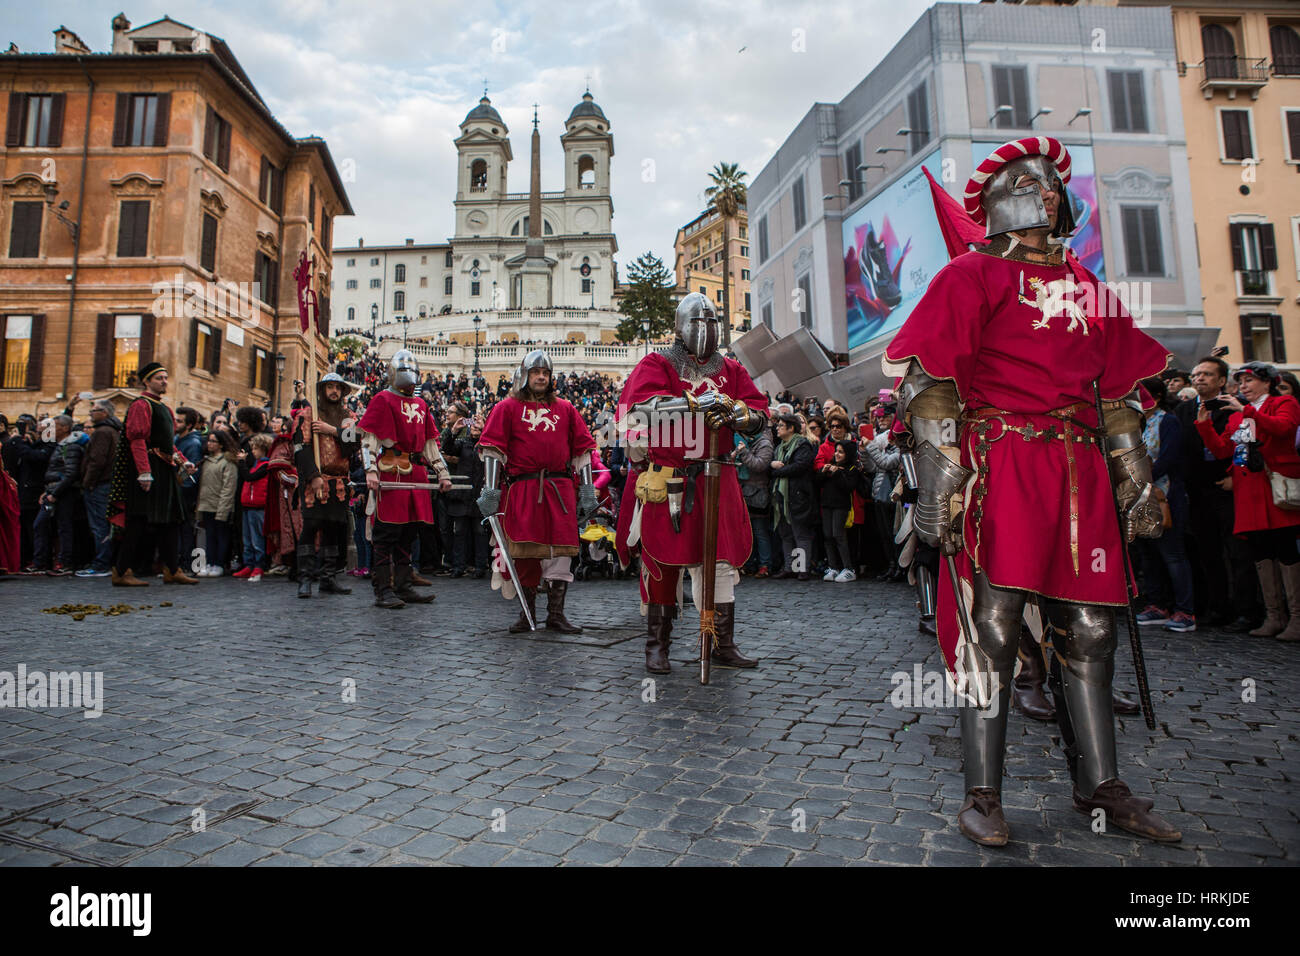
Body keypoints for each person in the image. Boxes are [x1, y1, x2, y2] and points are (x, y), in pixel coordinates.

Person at [884, 135, 1179, 846]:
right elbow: (929, 385)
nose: (1047, 192)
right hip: (1003, 461)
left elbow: (1115, 397)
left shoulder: (1087, 284)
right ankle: (983, 793)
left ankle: (1101, 786)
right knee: (996, 629)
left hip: (1079, 471)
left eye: (1054, 183)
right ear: (1000, 199)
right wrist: (941, 477)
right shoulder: (970, 276)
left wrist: (1134, 470)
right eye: (1032, 182)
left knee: (1093, 629)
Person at [615, 293, 770, 672]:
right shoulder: (657, 363)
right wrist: (693, 405)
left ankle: (720, 641)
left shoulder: (731, 370)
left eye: (712, 322)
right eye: (698, 322)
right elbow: (637, 412)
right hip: (671, 478)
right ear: (680, 326)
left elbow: (760, 414)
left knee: (719, 563)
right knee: (664, 561)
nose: (706, 330)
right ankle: (658, 645)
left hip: (719, 475)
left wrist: (737, 412)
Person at [478, 350, 598, 633]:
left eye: (545, 373)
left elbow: (582, 451)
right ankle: (526, 612)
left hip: (560, 490)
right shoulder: (506, 408)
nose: (541, 377)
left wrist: (588, 489)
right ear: (524, 376)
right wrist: (491, 491)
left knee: (561, 552)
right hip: (525, 488)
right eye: (535, 372)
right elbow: (493, 450)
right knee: (527, 551)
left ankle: (556, 614)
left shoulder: (566, 409)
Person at [1195, 361, 1300, 642]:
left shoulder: (1284, 402)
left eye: (1249, 381)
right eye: (1240, 381)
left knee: (1286, 550)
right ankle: (1274, 616)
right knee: (1261, 552)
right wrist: (1204, 427)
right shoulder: (1236, 416)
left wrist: (1246, 410)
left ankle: (1296, 618)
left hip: (1274, 487)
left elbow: (1283, 429)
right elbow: (1222, 451)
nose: (1243, 386)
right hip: (1248, 491)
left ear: (1267, 383)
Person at [358, 349, 453, 609]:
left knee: (409, 533)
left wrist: (442, 472)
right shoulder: (382, 399)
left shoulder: (422, 405)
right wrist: (371, 470)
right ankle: (383, 589)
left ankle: (403, 585)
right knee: (386, 533)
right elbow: (369, 439)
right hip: (391, 470)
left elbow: (430, 443)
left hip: (416, 473)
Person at [1173, 356, 1257, 629]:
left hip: (1228, 486)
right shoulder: (1183, 411)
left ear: (1221, 381)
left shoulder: (1233, 406)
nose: (1200, 378)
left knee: (1238, 553)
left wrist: (1234, 475)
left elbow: (1245, 445)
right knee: (1206, 551)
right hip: (1196, 490)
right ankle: (1216, 607)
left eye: (1207, 374)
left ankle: (1246, 611)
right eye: (1196, 374)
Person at [109, 362, 199, 587]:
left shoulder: (165, 407)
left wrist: (183, 461)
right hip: (149, 469)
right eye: (159, 378)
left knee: (170, 521)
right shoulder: (141, 405)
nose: (164, 381)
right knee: (137, 521)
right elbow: (137, 440)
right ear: (147, 381)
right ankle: (121, 571)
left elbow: (168, 445)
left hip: (164, 470)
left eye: (166, 377)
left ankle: (172, 569)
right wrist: (144, 472)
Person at [1133, 377, 1196, 632]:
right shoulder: (1137, 423)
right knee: (1148, 554)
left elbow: (1169, 457)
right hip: (1141, 494)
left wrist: (1143, 476)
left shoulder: (1167, 420)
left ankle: (1186, 610)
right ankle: (1157, 604)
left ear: (1155, 397)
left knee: (1172, 554)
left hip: (1165, 494)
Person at [292, 373, 360, 598]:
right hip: (316, 479)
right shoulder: (308, 414)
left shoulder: (348, 416)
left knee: (334, 529)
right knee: (311, 527)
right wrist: (313, 475)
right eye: (329, 387)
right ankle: (305, 578)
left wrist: (332, 431)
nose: (334, 391)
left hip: (339, 481)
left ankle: (328, 578)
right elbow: (301, 448)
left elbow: (352, 445)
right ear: (322, 391)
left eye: (337, 388)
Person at [33, 415, 86, 575]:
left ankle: (64, 563)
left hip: (63, 493)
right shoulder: (62, 445)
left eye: (55, 426)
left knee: (63, 527)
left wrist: (54, 493)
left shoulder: (71, 447)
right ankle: (43, 562)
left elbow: (70, 474)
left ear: (64, 428)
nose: (51, 430)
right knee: (44, 525)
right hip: (55, 491)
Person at [77, 401, 121, 578]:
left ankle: (101, 564)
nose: (90, 414)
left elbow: (97, 460)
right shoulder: (114, 431)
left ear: (104, 413)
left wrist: (88, 482)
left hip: (99, 485)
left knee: (99, 526)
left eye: (94, 411)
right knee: (105, 525)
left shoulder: (102, 432)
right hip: (107, 483)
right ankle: (105, 562)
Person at [770, 413, 816, 581]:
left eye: (781, 426)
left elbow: (800, 466)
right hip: (782, 496)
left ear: (791, 428)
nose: (777, 428)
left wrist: (777, 470)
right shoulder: (780, 446)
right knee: (785, 533)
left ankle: (802, 568)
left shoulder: (802, 444)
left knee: (800, 533)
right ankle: (790, 566)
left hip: (797, 496)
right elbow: (773, 465)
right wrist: (772, 465)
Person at [817, 438, 860, 582]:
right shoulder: (832, 465)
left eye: (841, 452)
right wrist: (823, 472)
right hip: (827, 504)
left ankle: (848, 567)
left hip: (841, 506)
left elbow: (848, 487)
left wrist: (837, 473)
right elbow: (818, 482)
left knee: (839, 535)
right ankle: (833, 566)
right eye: (836, 451)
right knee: (827, 536)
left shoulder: (852, 469)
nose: (837, 454)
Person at [734, 422, 774, 577]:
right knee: (747, 532)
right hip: (744, 491)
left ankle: (765, 564)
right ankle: (749, 563)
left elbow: (760, 465)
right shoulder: (748, 441)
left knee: (760, 531)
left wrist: (743, 452)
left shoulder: (764, 443)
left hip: (758, 493)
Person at [196, 429, 238, 576]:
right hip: (207, 504)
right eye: (209, 440)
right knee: (210, 536)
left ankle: (219, 564)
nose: (209, 444)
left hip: (220, 505)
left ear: (221, 444)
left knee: (221, 536)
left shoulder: (228, 462)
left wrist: (223, 509)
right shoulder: (206, 461)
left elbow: (228, 487)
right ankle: (209, 562)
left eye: (213, 441)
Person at [235, 433, 272, 583]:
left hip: (258, 506)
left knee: (257, 539)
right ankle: (249, 564)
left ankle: (259, 565)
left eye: (255, 449)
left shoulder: (265, 466)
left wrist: (242, 463)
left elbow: (250, 477)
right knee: (248, 538)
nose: (253, 452)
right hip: (249, 505)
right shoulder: (256, 464)